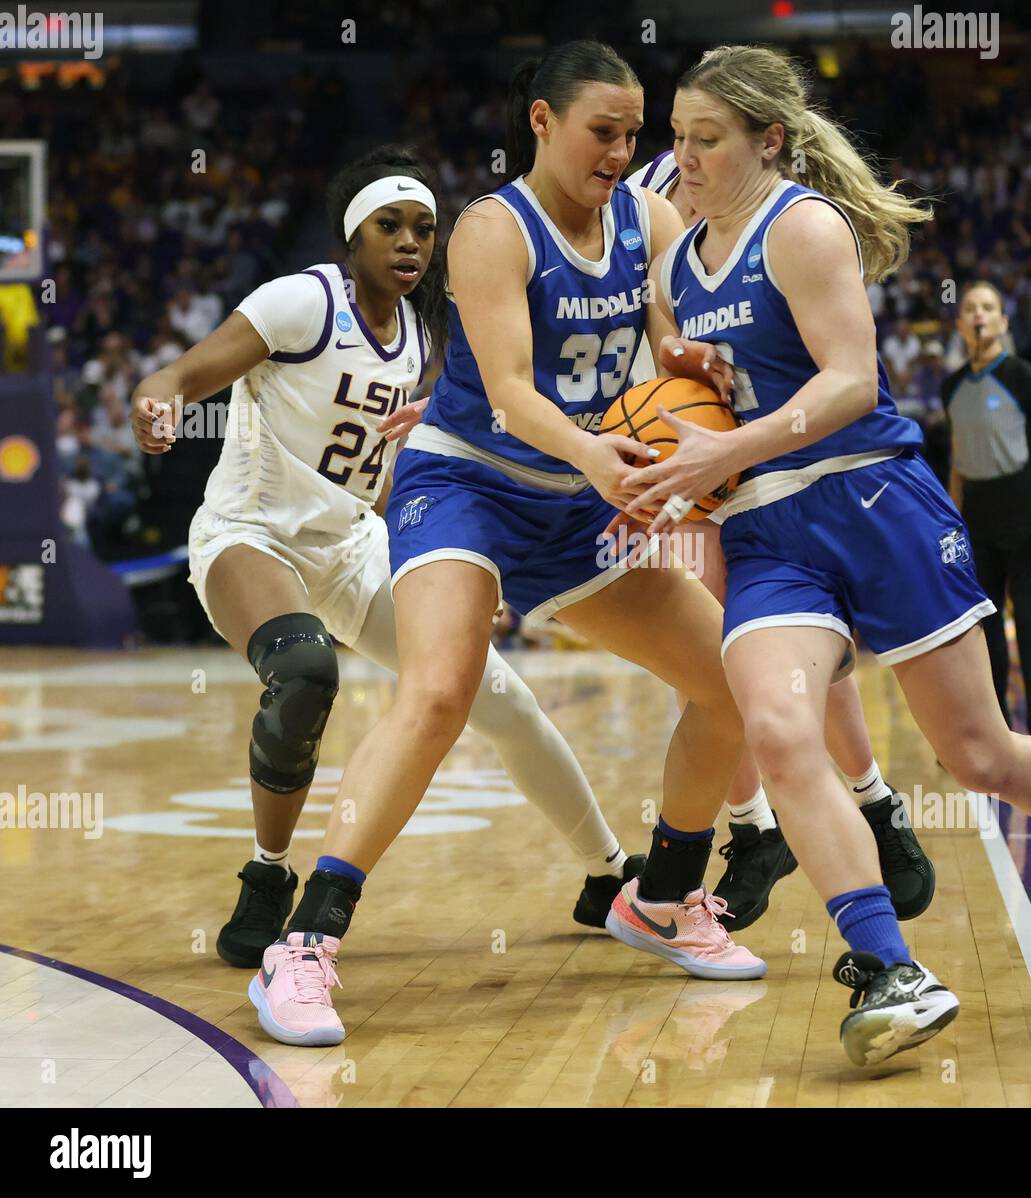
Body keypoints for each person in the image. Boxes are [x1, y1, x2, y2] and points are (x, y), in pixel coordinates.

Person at [610, 45, 1031, 1067]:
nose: (680, 159)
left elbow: (853, 380)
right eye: (675, 138)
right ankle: (885, 965)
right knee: (775, 729)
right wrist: (656, 460)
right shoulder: (677, 267)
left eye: (704, 139)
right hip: (768, 530)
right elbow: (687, 403)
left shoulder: (803, 227)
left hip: (874, 499)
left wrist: (722, 444)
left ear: (767, 139)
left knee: (979, 755)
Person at [248, 43, 768, 1049]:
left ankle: (660, 896)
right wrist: (603, 459)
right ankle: (304, 945)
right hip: (468, 487)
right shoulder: (491, 231)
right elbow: (514, 391)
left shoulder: (649, 220)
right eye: (599, 132)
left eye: (632, 133)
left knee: (730, 679)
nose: (620, 152)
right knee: (442, 688)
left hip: (576, 500)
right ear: (541, 122)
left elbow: (660, 341)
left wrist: (690, 366)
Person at [129, 144, 642, 976]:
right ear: (351, 235)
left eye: (425, 229)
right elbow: (184, 372)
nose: (411, 242)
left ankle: (607, 871)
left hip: (353, 544)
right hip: (250, 535)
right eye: (390, 226)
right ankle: (267, 876)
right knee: (303, 672)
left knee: (498, 696)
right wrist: (158, 404)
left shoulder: (421, 330)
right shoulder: (301, 300)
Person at [623, 149, 933, 929]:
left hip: (754, 461)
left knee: (791, 650)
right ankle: (755, 827)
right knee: (715, 661)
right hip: (661, 449)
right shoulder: (614, 229)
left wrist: (692, 365)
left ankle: (871, 801)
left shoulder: (743, 228)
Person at [943, 281, 1031, 739]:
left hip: (1026, 514)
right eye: (970, 308)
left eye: (988, 308)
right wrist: (952, 518)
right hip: (977, 519)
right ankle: (998, 730)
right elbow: (959, 460)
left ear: (1003, 321)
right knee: (986, 631)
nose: (979, 315)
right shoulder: (951, 386)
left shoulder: (1027, 377)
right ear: (960, 324)